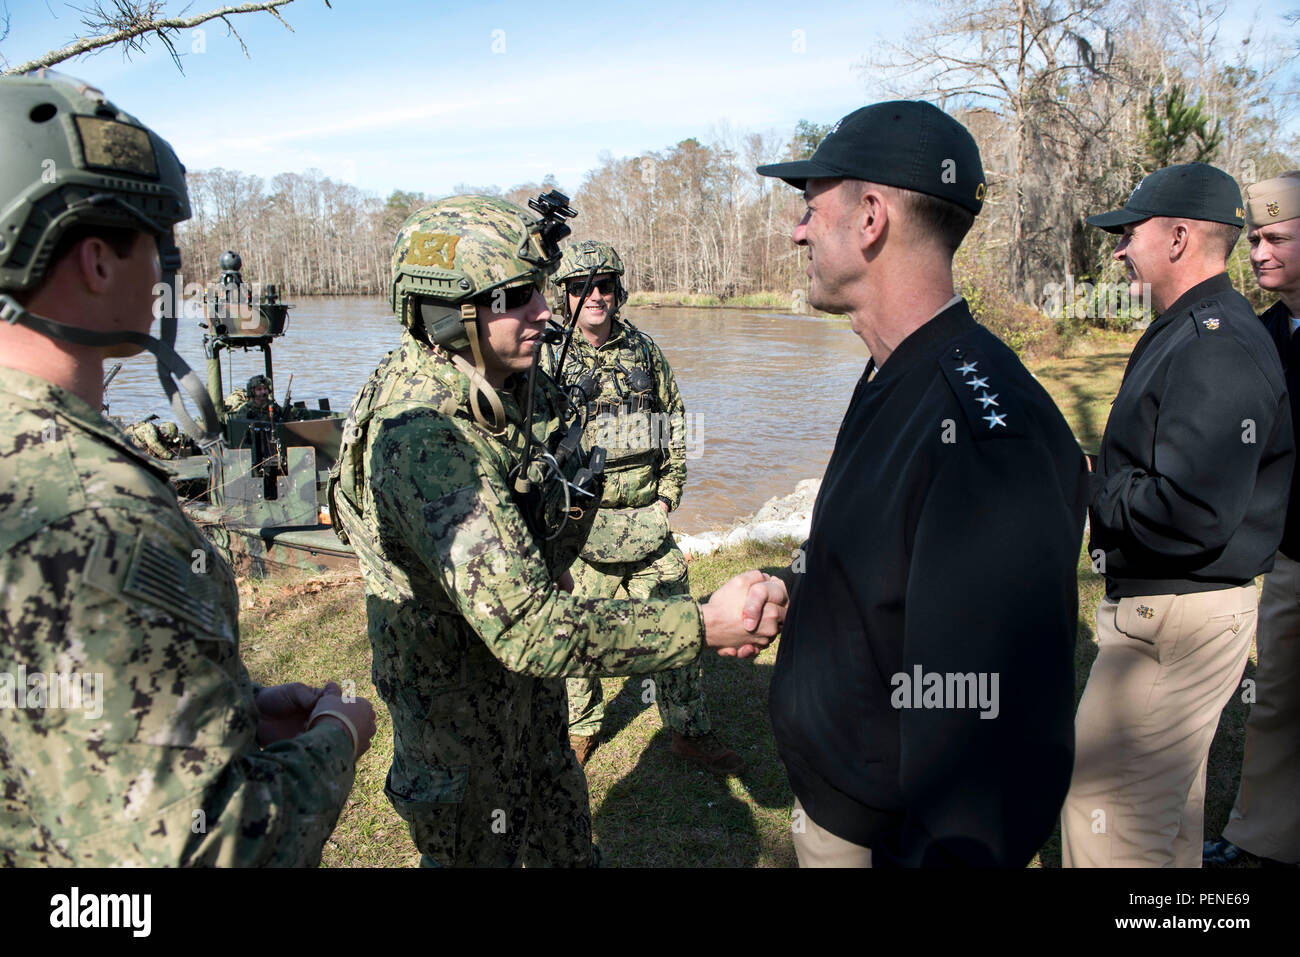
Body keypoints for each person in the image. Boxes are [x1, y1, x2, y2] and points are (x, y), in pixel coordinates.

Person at [328, 194, 787, 867]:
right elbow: (531, 628)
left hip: (527, 704)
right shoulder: (422, 438)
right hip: (459, 716)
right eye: (515, 296)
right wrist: (706, 625)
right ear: (448, 315)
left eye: (540, 289)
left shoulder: (498, 378)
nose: (545, 308)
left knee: (565, 843)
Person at [0, 72, 377, 866]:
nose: (173, 268)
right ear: (98, 260)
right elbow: (214, 849)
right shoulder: (97, 510)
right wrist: (338, 736)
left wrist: (231, 708)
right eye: (159, 241)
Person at [756, 101, 1089, 867]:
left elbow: (992, 750)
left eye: (811, 210)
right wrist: (803, 592)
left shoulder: (983, 431)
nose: (797, 231)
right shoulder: (894, 369)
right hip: (841, 802)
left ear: (870, 217)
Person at [1061, 162, 1294, 868]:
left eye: (1130, 233)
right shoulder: (1190, 326)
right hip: (1172, 610)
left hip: (1176, 624)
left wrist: (1094, 484)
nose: (1121, 249)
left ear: (1180, 236)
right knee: (1160, 829)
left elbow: (1192, 510)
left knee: (1106, 826)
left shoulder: (1216, 344)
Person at [547, 240, 742, 774]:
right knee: (576, 639)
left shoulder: (645, 351)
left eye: (603, 286)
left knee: (678, 628)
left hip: (647, 525)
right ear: (564, 296)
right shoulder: (547, 358)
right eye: (580, 288)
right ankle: (580, 730)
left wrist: (666, 497)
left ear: (618, 292)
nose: (593, 296)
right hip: (581, 531)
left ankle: (688, 732)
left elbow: (677, 425)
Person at [1202, 171, 1300, 867]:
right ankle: (1262, 837)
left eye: (1276, 237)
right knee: (1278, 700)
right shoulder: (1259, 335)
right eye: (1254, 238)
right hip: (1291, 555)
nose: (1259, 251)